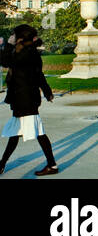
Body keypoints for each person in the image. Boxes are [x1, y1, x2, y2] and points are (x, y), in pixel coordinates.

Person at [0, 24, 59, 176]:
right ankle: (2, 164)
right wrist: (47, 92)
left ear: (20, 38)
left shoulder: (24, 54)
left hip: (24, 99)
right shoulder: (30, 52)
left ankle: (52, 165)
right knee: (20, 132)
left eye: (14, 35)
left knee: (37, 132)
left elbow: (5, 61)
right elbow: (40, 75)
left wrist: (8, 44)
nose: (12, 37)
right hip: (24, 99)